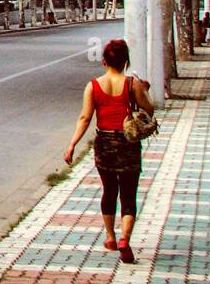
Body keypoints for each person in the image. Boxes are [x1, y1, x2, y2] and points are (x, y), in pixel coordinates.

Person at [63, 39, 155, 264]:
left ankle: (111, 237)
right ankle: (125, 238)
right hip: (128, 144)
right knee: (129, 193)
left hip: (104, 143)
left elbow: (85, 117)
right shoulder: (132, 84)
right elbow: (149, 108)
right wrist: (143, 90)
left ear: (104, 61)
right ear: (126, 62)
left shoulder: (93, 86)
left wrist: (72, 144)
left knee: (109, 190)